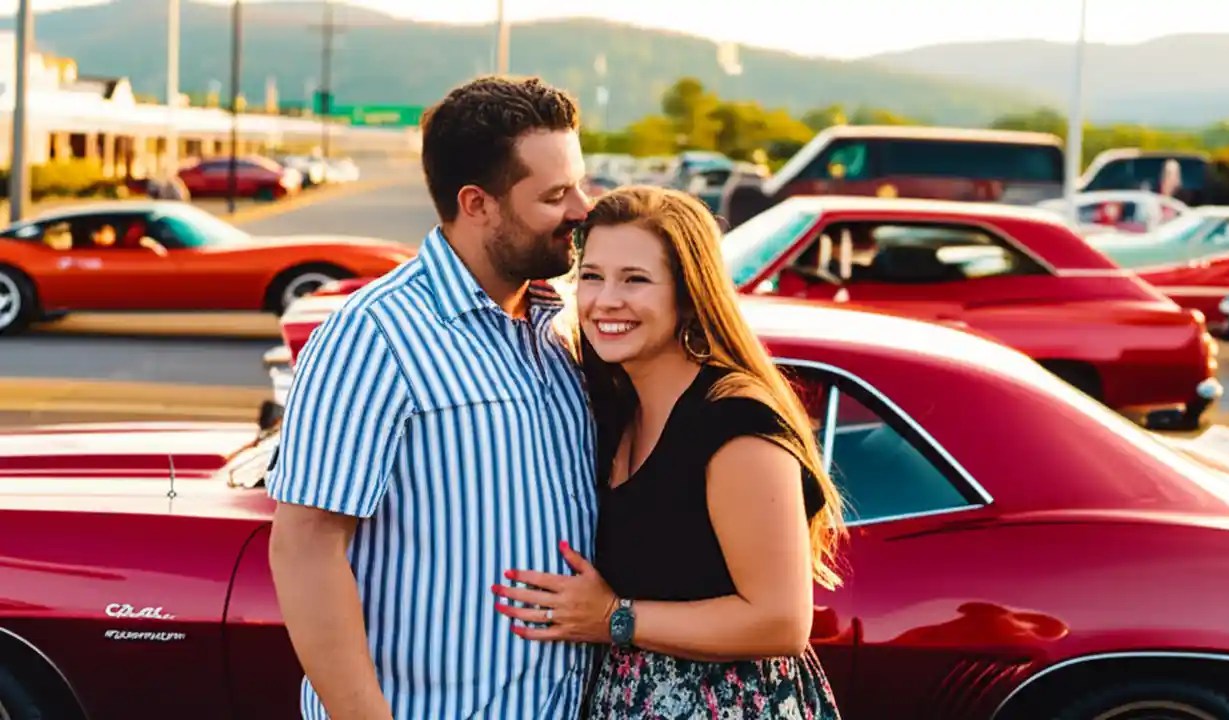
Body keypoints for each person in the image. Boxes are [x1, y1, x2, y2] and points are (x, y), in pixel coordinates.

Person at [266, 76, 597, 719]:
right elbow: (304, 548)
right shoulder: (375, 336)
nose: (582, 209)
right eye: (556, 194)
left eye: (579, 184)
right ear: (477, 203)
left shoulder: (561, 329)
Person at [492, 186, 846, 719]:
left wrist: (614, 617)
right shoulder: (611, 406)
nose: (605, 300)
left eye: (635, 279)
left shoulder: (736, 424)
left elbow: (782, 621)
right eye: (592, 276)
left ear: (686, 294)